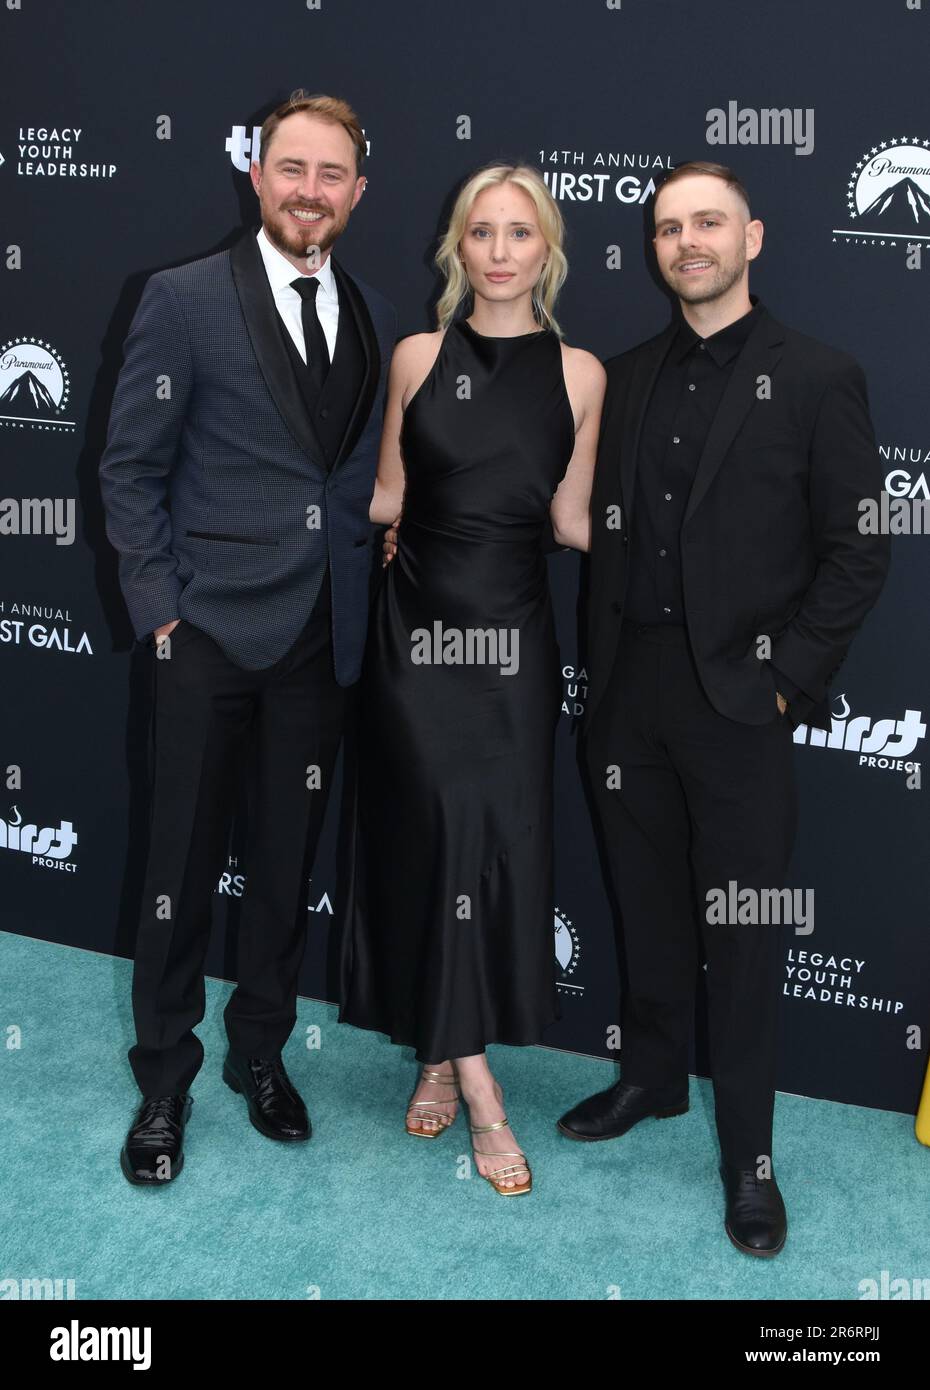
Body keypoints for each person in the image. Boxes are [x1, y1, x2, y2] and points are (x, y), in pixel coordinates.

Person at [558, 162, 890, 1254]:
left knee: (740, 943)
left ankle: (750, 1158)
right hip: (629, 694)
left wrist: (787, 677)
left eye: (707, 223)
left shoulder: (819, 374)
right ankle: (653, 1078)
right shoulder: (629, 372)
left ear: (754, 235)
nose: (687, 242)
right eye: (667, 228)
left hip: (742, 703)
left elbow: (857, 550)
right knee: (645, 910)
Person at [98, 91, 397, 1185]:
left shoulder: (368, 308)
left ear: (357, 193)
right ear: (255, 173)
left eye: (332, 175)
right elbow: (127, 469)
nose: (309, 191)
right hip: (207, 634)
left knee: (286, 865)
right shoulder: (180, 299)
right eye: (292, 168)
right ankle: (164, 1079)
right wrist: (161, 609)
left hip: (323, 641)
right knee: (175, 867)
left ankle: (258, 1054)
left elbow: (354, 476)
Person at [338, 163, 605, 1194]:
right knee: (431, 834)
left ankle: (443, 1051)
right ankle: (482, 1091)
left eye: (519, 234)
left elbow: (574, 522)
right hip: (416, 636)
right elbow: (388, 493)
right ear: (459, 248)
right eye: (481, 233)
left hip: (512, 647)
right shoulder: (415, 355)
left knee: (489, 848)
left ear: (548, 249)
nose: (499, 251)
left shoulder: (581, 375)